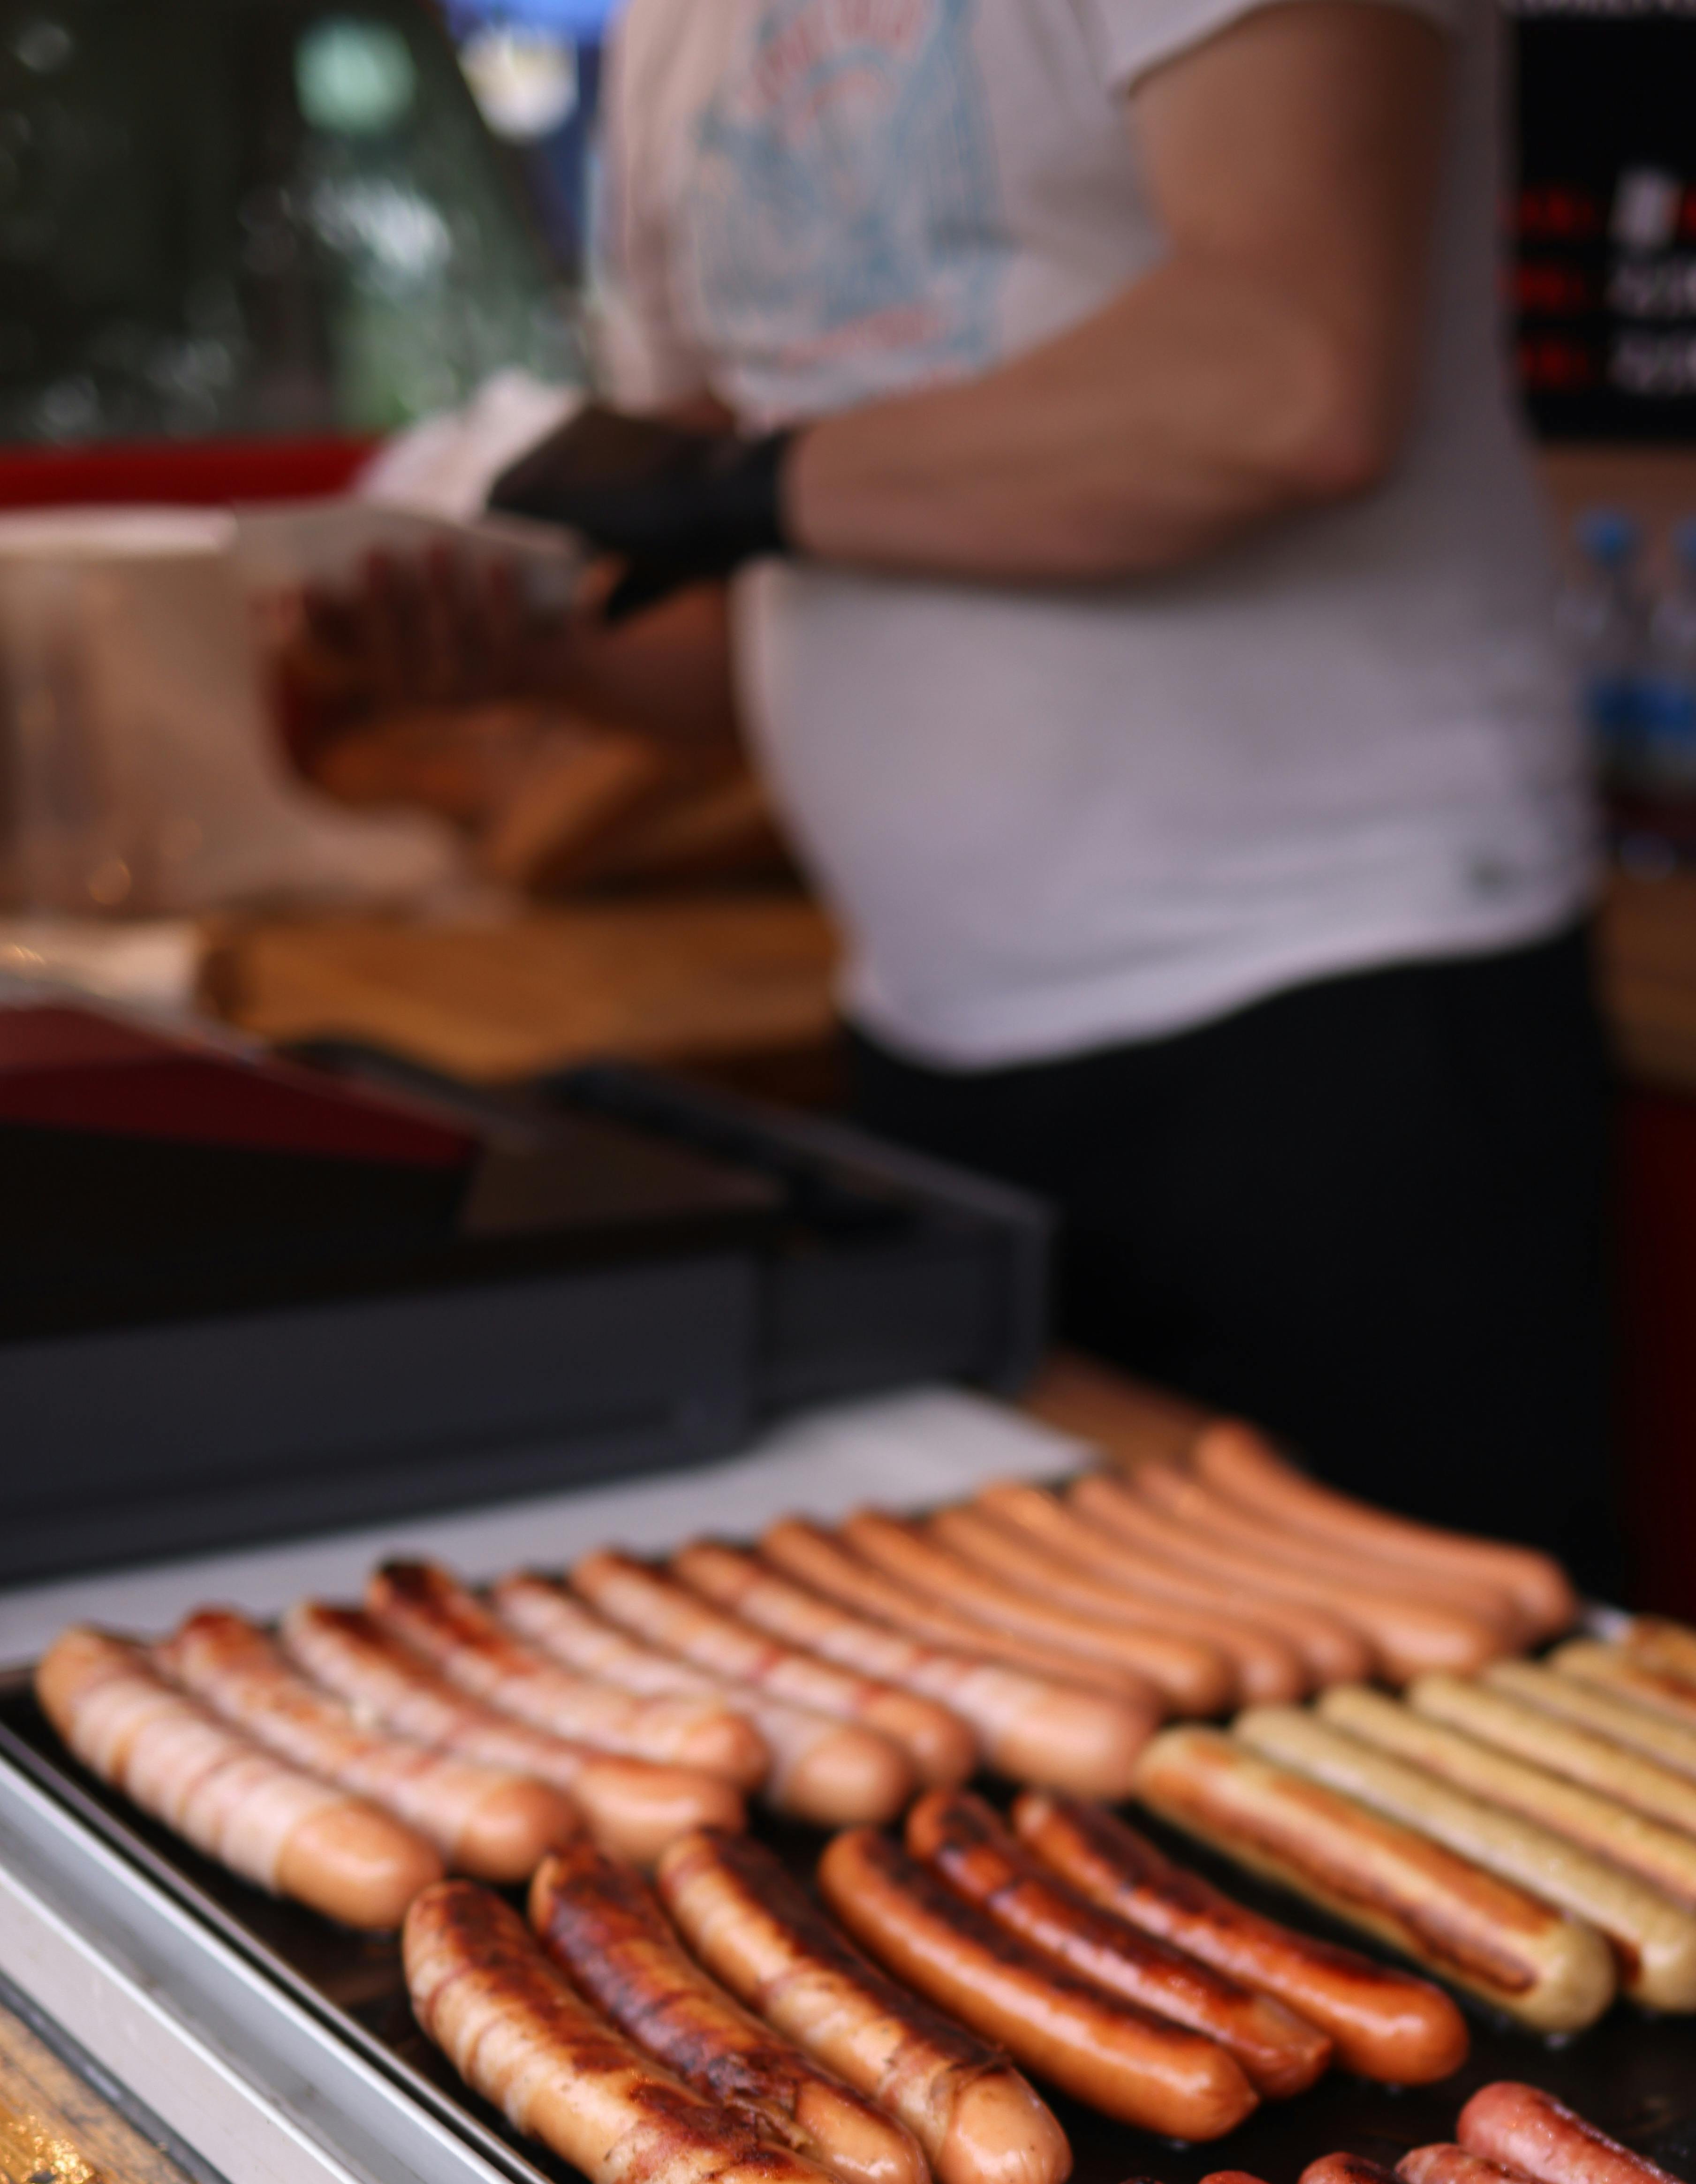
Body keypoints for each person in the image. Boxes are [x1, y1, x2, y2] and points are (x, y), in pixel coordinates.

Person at [329, 0, 1614, 1579]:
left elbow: (1293, 373)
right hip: (927, 1049)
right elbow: (768, 608)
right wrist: (523, 650)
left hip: (1337, 1025)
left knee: (1417, 1748)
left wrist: (738, 493)